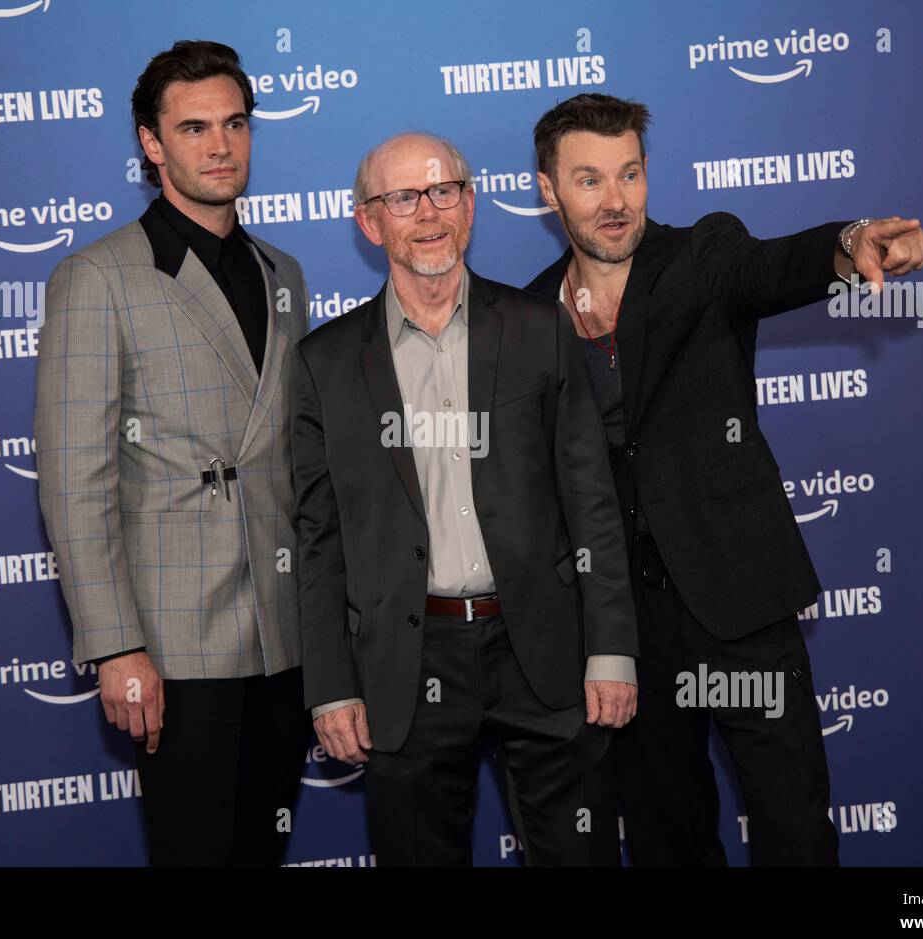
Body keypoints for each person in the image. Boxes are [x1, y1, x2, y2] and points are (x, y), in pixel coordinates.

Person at [524, 93, 923, 866]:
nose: (616, 201)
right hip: (625, 628)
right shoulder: (531, 314)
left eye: (630, 174)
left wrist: (850, 243)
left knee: (792, 826)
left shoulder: (702, 257)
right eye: (588, 181)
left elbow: (778, 265)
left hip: (739, 599)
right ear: (548, 190)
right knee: (665, 833)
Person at [289, 131, 638, 866]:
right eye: (404, 197)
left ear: (470, 204)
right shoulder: (326, 364)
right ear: (368, 220)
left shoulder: (541, 330)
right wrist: (329, 686)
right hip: (405, 664)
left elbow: (592, 501)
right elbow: (318, 543)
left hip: (542, 650)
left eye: (444, 190)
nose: (429, 212)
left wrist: (610, 646)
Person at [34, 40, 310, 866]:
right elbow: (75, 481)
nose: (220, 146)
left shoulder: (282, 271)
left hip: (283, 631)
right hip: (173, 642)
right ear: (152, 146)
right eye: (193, 128)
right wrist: (117, 646)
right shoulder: (98, 276)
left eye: (234, 124)